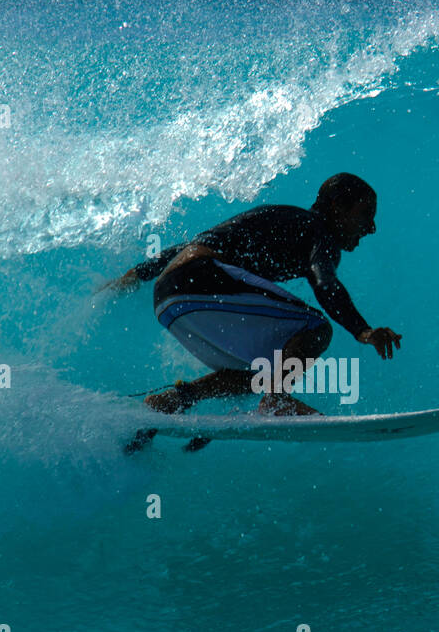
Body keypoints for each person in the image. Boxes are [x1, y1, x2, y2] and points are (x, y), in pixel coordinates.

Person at [101, 173, 402, 450]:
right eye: (364, 215)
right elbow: (325, 282)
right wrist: (363, 330)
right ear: (336, 207)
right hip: (199, 282)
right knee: (317, 328)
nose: (371, 227)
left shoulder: (284, 219)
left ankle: (170, 401)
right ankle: (276, 401)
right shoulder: (316, 229)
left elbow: (195, 243)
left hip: (169, 299)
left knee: (262, 371)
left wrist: (137, 274)